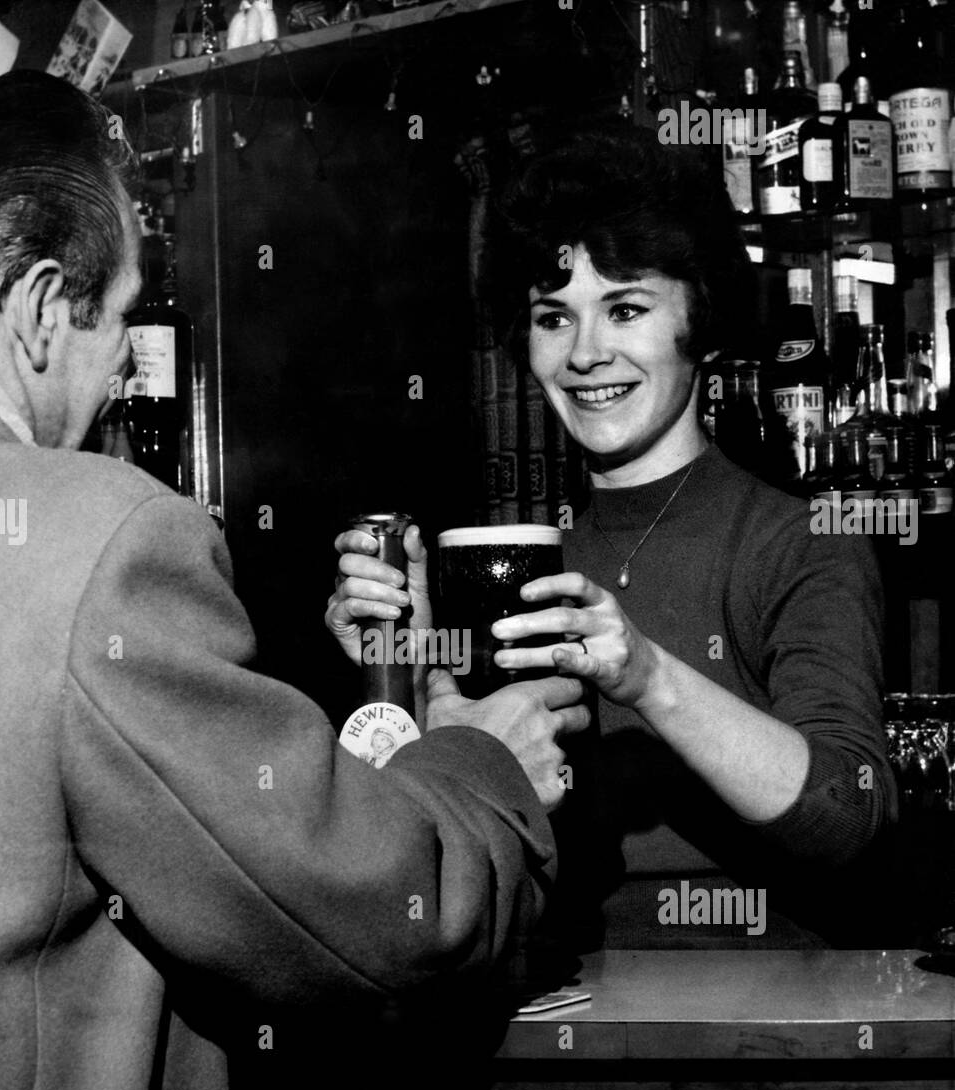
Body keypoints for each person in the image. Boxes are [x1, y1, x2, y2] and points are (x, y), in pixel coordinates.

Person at [0, 72, 590, 1090]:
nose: (125, 371)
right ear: (40, 309)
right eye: (120, 320)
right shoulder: (94, 540)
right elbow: (371, 912)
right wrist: (482, 765)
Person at [328, 128, 896, 950]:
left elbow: (851, 815)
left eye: (626, 309)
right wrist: (404, 677)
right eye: (553, 318)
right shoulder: (521, 567)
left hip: (760, 1016)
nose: (587, 354)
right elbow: (433, 858)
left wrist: (647, 675)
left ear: (700, 320)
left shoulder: (799, 542)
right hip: (555, 1009)